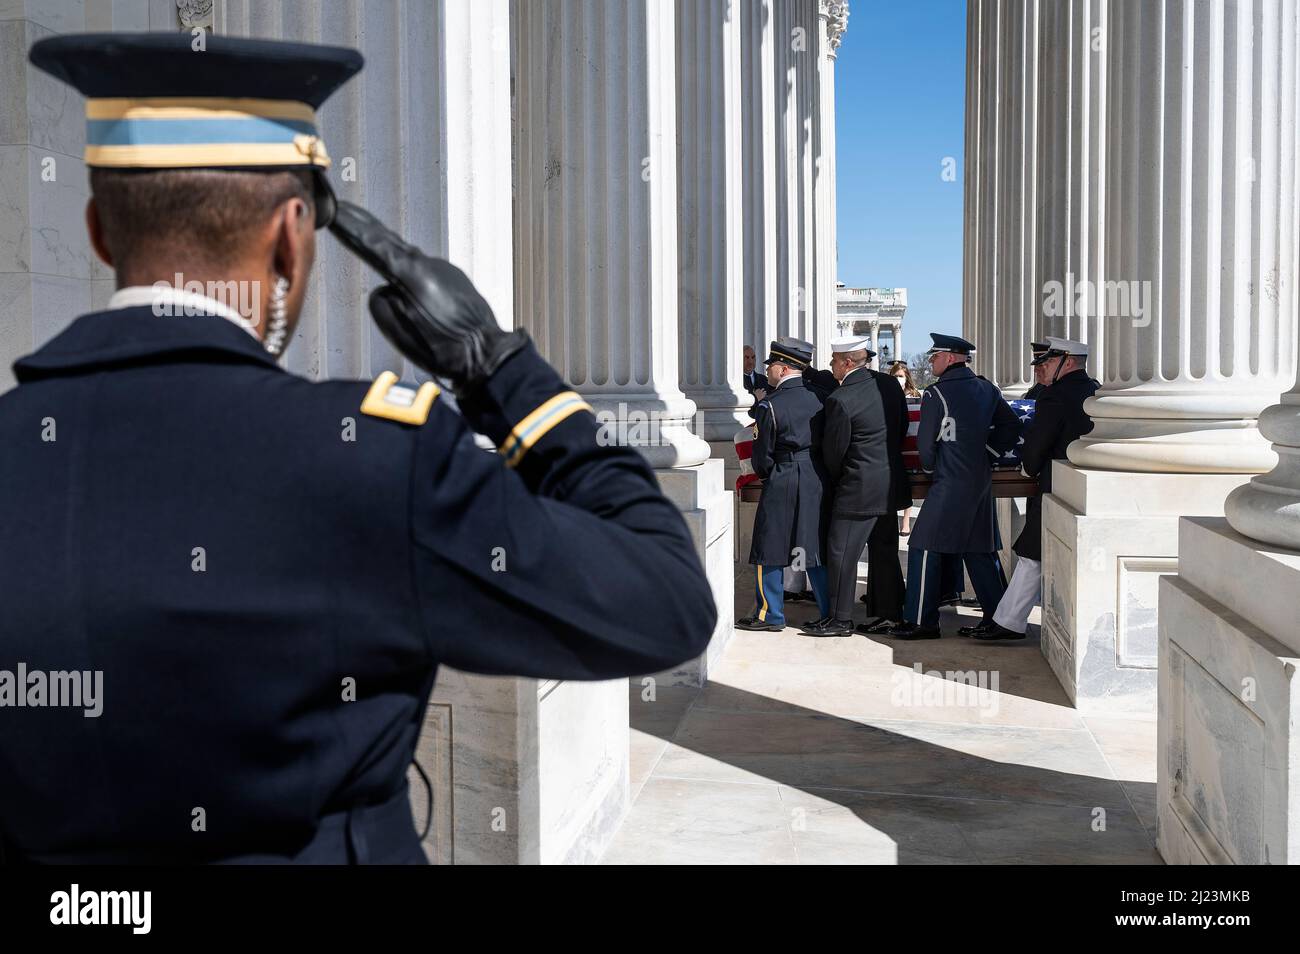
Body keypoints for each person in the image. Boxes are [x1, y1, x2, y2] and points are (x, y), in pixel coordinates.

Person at [0, 32, 716, 865]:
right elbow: (664, 603)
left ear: (96, 229)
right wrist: (505, 376)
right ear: (290, 236)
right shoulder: (377, 462)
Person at [887, 333, 1022, 640]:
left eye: (935, 356)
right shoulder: (987, 388)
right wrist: (987, 454)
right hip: (979, 479)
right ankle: (1002, 619)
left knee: (923, 546)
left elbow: (926, 443)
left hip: (950, 480)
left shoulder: (937, 394)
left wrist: (932, 466)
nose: (931, 360)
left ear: (950, 358)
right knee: (979, 550)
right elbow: (1011, 426)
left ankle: (922, 620)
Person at [962, 337, 1099, 640]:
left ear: (1069, 361)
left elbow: (1039, 440)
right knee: (1035, 553)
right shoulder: (1096, 390)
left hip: (1054, 482)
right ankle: (1007, 620)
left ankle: (1008, 622)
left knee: (1031, 554)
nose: (1043, 368)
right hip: (1084, 481)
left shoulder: (1055, 396)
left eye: (1048, 362)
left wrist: (1027, 468)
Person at [737, 339, 831, 631]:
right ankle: (828, 610)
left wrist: (768, 475)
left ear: (784, 367)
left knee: (769, 543)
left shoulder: (770, 404)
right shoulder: (821, 398)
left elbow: (762, 455)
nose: (769, 371)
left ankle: (770, 614)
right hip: (815, 475)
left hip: (783, 474)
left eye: (772, 365)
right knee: (813, 545)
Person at [801, 337, 890, 637]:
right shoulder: (880, 387)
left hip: (856, 487)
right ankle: (880, 613)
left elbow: (834, 452)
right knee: (878, 552)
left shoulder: (841, 398)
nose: (830, 366)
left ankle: (840, 619)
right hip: (883, 482)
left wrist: (835, 480)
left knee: (841, 553)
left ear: (847, 362)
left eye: (834, 360)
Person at [854, 351, 913, 633]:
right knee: (884, 546)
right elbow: (902, 427)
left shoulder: (853, 390)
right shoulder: (890, 386)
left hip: (864, 482)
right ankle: (887, 603)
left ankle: (887, 610)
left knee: (874, 548)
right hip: (890, 476)